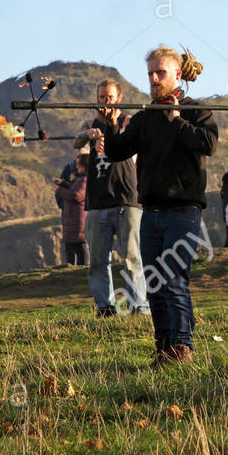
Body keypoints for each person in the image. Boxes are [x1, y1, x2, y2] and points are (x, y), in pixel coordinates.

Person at [90, 45, 218, 367]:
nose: (155, 78)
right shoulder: (146, 117)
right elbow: (118, 151)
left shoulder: (195, 110)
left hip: (183, 211)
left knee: (174, 279)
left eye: (160, 72)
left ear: (177, 74)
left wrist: (175, 121)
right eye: (150, 73)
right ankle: (163, 350)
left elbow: (208, 144)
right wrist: (109, 125)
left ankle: (182, 349)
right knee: (155, 283)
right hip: (151, 212)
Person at [75, 79, 147, 317]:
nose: (105, 102)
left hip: (126, 199)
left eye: (109, 97)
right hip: (97, 201)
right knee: (97, 261)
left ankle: (139, 306)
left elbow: (133, 141)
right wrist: (88, 134)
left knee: (132, 258)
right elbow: (76, 142)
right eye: (102, 97)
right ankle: (105, 308)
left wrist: (113, 125)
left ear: (118, 98)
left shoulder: (128, 121)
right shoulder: (90, 123)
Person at [54, 149, 89, 266]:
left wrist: (60, 191)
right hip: (74, 221)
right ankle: (76, 268)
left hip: (77, 221)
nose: (76, 166)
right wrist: (63, 184)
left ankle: (82, 269)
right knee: (74, 247)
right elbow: (74, 189)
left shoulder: (84, 180)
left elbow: (76, 195)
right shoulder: (81, 179)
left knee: (80, 248)